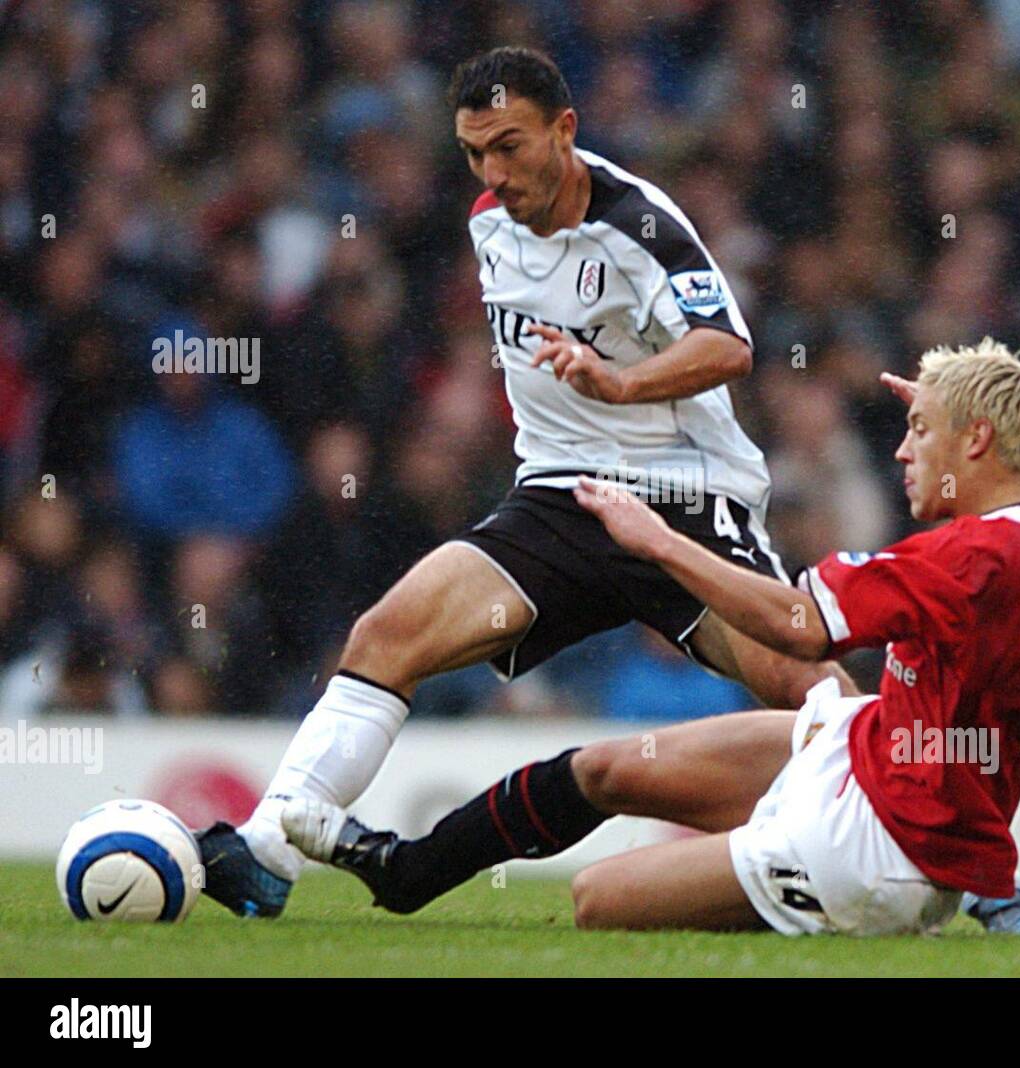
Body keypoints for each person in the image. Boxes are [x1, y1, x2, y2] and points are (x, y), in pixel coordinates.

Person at [195, 46, 858, 919]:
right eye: (475, 153)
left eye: (510, 146)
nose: (493, 172)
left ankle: (922, 850)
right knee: (388, 633)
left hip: (682, 504)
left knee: (817, 697)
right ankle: (269, 854)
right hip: (557, 500)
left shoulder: (639, 225)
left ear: (565, 128)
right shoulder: (485, 223)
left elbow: (729, 346)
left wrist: (620, 381)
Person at [280, 339, 1020, 937]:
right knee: (604, 769)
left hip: (876, 847)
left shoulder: (956, 560)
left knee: (595, 901)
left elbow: (800, 629)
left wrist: (654, 540)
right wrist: (956, 421)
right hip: (875, 749)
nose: (905, 450)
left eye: (921, 432)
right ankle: (407, 872)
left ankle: (885, 912)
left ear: (976, 442)